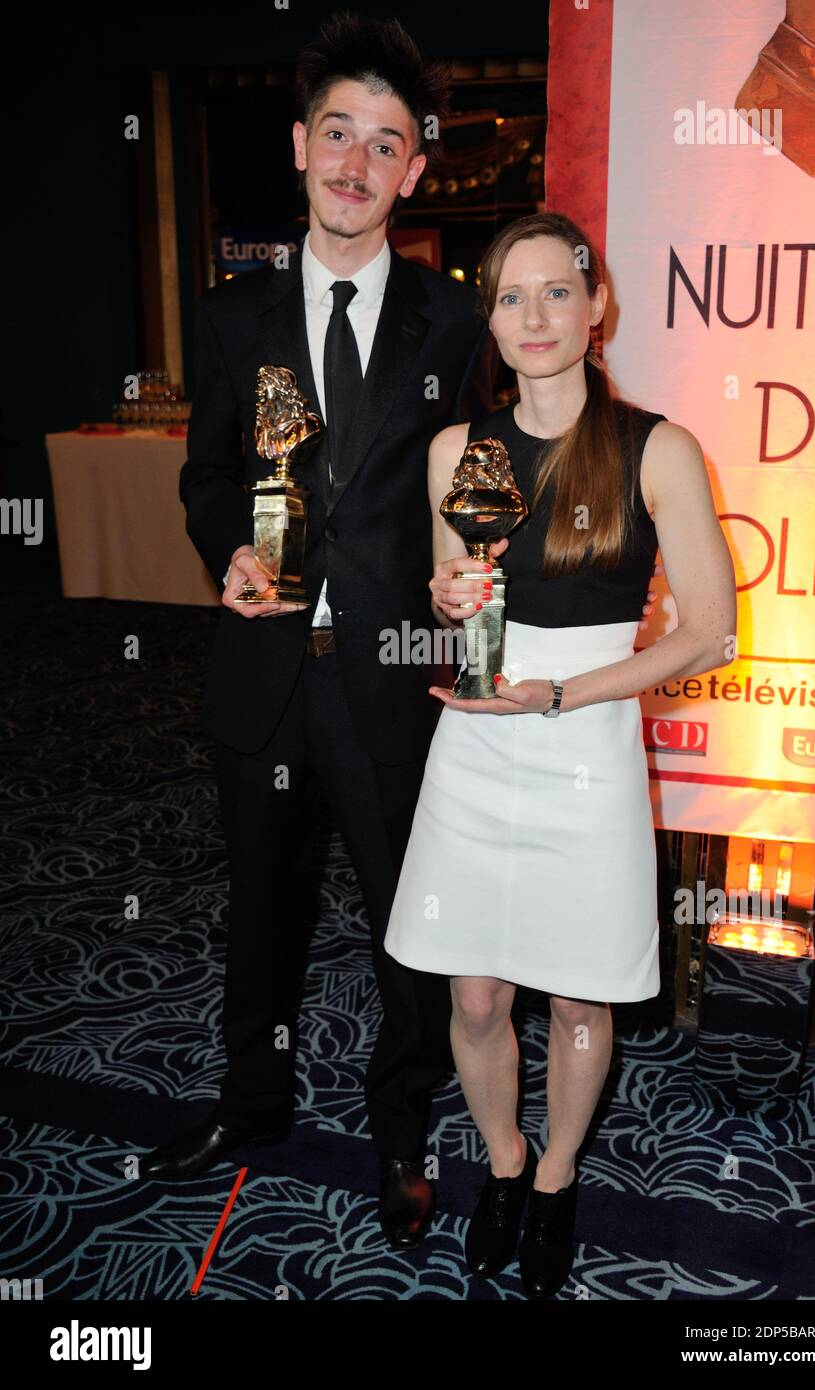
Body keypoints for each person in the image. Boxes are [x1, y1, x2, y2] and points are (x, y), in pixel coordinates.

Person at [137, 12, 501, 1251]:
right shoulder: (233, 316)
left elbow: (475, 488)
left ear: (413, 168)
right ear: (299, 146)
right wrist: (222, 551)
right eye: (335, 132)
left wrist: (482, 587)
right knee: (261, 914)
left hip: (394, 679)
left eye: (384, 142)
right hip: (265, 671)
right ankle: (251, 1106)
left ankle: (401, 1134)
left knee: (409, 924)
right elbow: (204, 482)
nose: (355, 161)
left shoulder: (454, 323)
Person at [384, 211, 737, 1295]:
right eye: (506, 296)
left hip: (581, 743)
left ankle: (557, 1176)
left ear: (597, 309)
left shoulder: (658, 448)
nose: (531, 316)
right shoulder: (458, 447)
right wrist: (448, 595)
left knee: (580, 1000)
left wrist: (558, 695)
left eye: (554, 292)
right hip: (477, 746)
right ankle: (501, 1160)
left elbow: (709, 630)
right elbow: (458, 602)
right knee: (477, 998)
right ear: (486, 318)